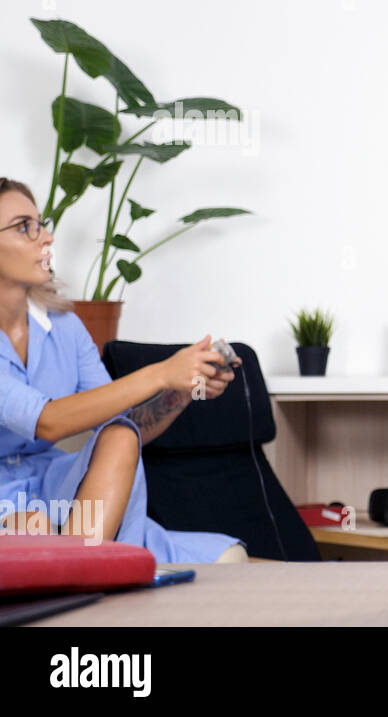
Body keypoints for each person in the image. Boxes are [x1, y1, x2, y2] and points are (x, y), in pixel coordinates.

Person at [0, 177, 246, 562]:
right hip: (15, 506)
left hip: (57, 490)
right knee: (33, 525)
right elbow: (47, 422)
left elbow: (127, 427)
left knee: (119, 435)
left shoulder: (63, 325)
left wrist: (180, 390)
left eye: (41, 223)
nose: (45, 237)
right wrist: (161, 373)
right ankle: (84, 570)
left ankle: (82, 565)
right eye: (24, 227)